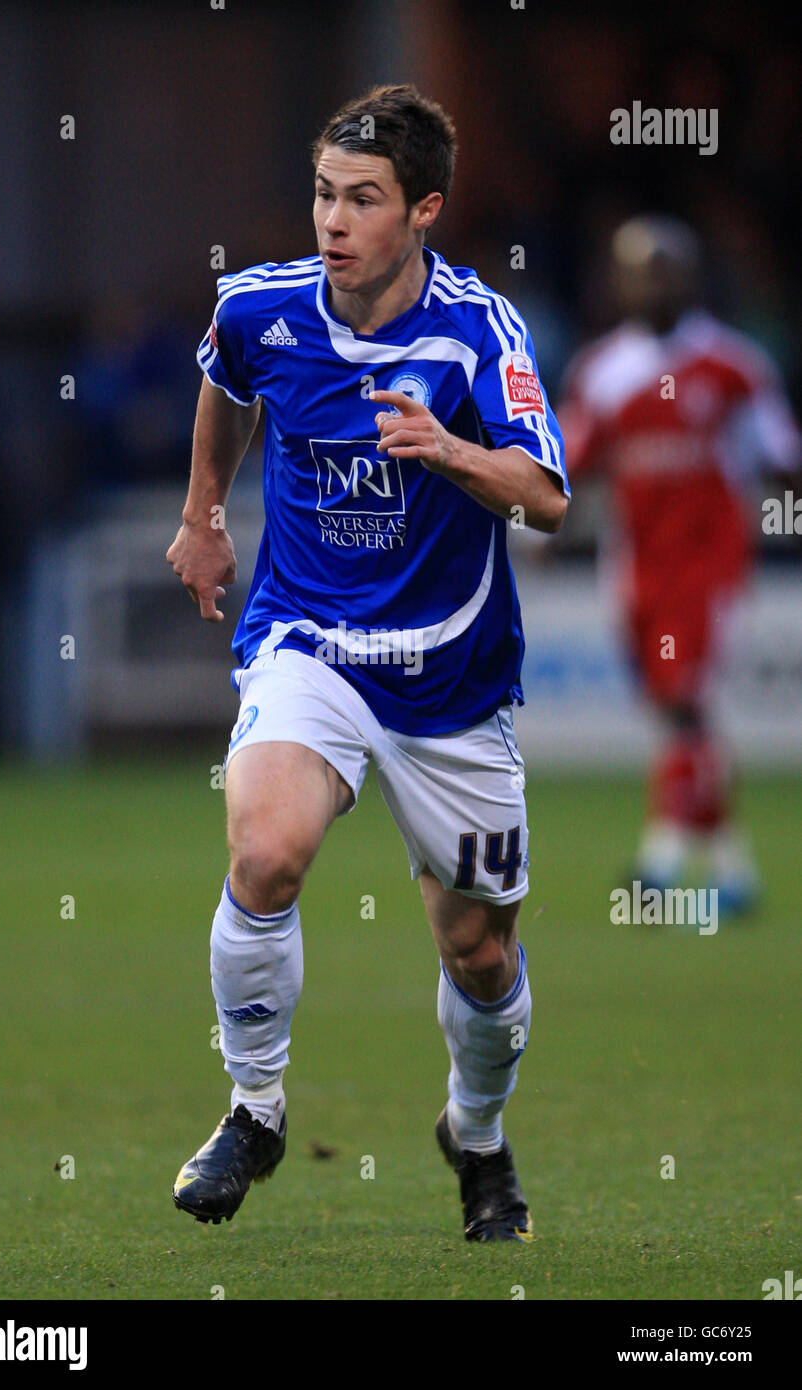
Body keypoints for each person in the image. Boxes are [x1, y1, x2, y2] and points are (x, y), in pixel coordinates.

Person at [165, 84, 568, 1242]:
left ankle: (476, 1136)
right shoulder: (261, 308)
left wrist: (445, 447)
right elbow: (227, 383)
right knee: (267, 848)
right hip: (309, 641)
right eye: (323, 194)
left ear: (423, 210)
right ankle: (253, 1109)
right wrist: (204, 516)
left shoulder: (478, 333)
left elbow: (542, 497)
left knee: (477, 949)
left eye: (362, 200)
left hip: (449, 679)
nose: (332, 220)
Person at [557, 215, 800, 911]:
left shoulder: (732, 366)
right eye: (639, 269)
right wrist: (538, 533)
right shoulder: (602, 370)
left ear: (690, 278)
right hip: (635, 569)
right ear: (620, 282)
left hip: (708, 566)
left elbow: (782, 457)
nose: (652, 282)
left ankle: (660, 863)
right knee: (675, 714)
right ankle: (733, 870)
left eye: (664, 267)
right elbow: (571, 466)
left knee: (683, 702)